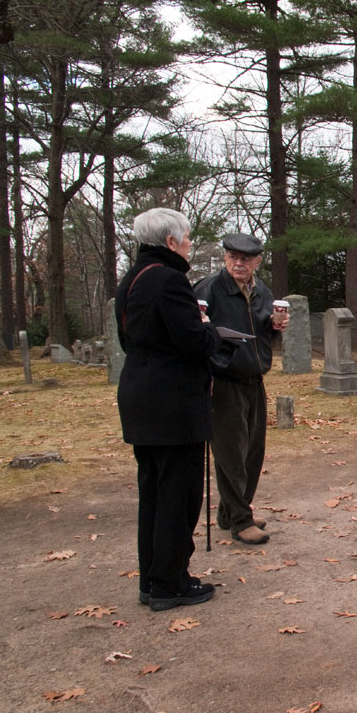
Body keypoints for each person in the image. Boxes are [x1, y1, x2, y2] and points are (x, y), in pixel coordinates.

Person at [116, 208, 221, 611]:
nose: (191, 244)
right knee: (178, 493)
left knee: (155, 494)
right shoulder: (170, 280)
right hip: (173, 404)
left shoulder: (132, 280)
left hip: (140, 395)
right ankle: (170, 583)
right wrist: (208, 327)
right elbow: (194, 341)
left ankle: (153, 577)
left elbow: (132, 341)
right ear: (172, 242)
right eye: (188, 238)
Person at [194, 234, 287, 545]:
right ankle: (241, 521)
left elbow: (261, 336)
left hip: (255, 379)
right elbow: (194, 335)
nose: (239, 262)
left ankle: (231, 511)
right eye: (233, 256)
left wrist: (274, 328)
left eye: (246, 259)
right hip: (223, 382)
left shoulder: (262, 292)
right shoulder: (209, 290)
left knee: (252, 454)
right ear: (224, 257)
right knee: (230, 454)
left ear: (257, 261)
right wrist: (215, 366)